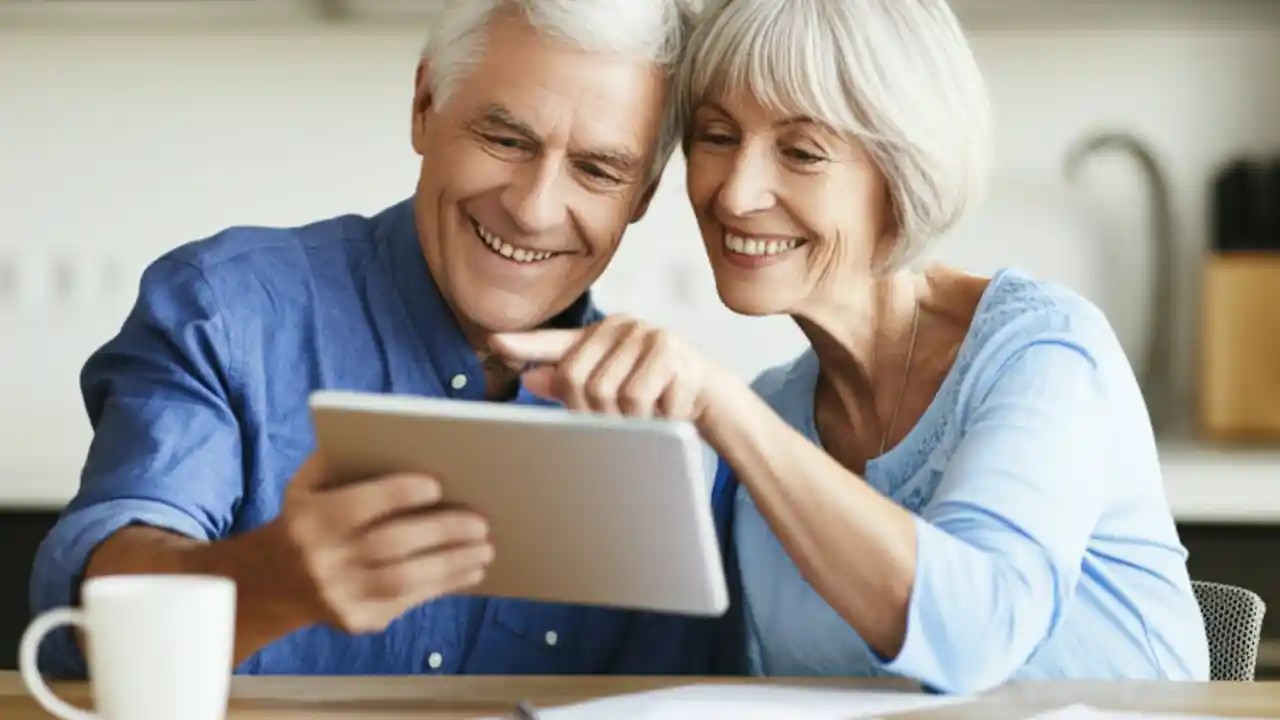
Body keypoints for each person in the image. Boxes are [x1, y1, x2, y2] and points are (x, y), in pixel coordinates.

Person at [493, 0, 1211, 693]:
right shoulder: (770, 414)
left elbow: (975, 632)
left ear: (901, 173)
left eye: (801, 152)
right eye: (717, 136)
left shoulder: (1044, 352)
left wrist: (717, 407)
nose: (737, 193)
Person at [30, 0, 723, 677]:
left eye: (597, 170)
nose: (533, 209)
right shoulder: (225, 310)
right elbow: (88, 620)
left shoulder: (662, 439)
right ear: (425, 105)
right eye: (506, 139)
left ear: (643, 195)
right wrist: (271, 580)